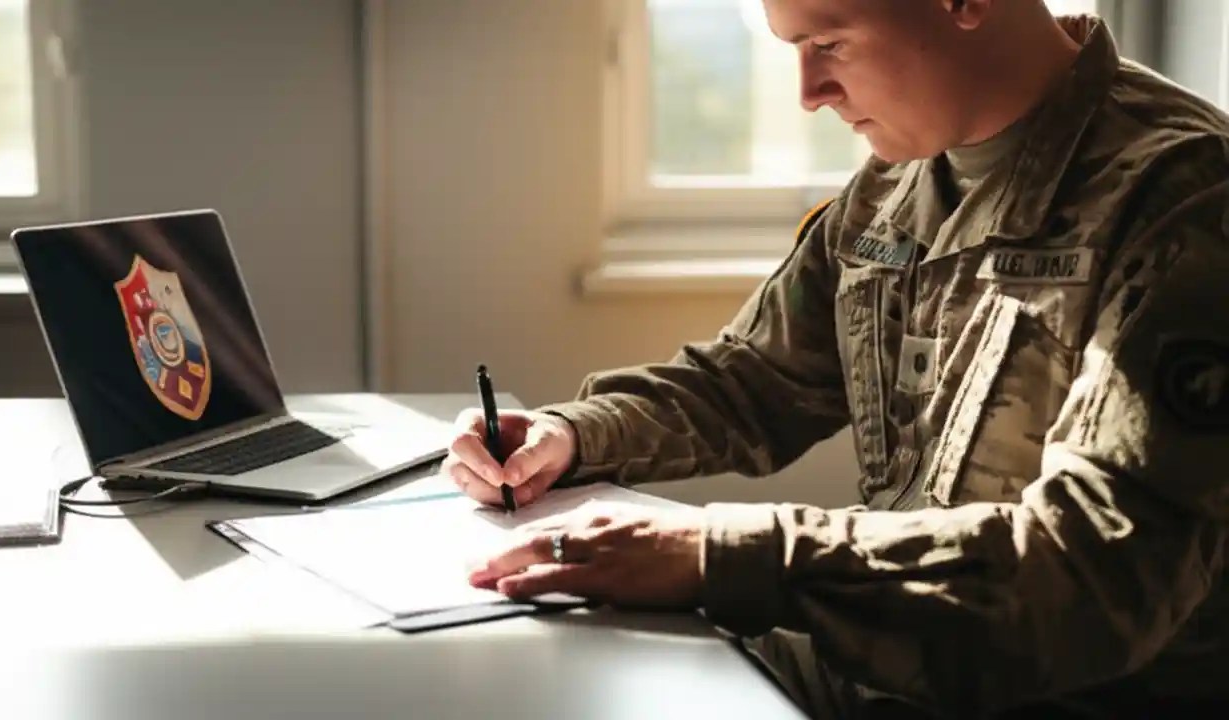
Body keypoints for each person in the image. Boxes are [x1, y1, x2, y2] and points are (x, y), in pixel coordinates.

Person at [442, 1, 1229, 717]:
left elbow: (1094, 575)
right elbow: (754, 381)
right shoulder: (898, 179)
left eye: (828, 41)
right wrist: (574, 434)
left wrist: (721, 555)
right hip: (875, 673)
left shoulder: (1184, 202)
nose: (809, 91)